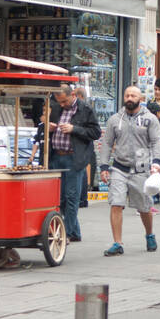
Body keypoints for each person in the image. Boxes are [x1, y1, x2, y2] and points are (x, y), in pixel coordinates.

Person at [97, 85, 160, 256]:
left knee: (144, 206)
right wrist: (104, 166)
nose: (129, 98)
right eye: (127, 95)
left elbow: (157, 141)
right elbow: (106, 143)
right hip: (119, 166)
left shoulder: (150, 119)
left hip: (141, 166)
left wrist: (156, 163)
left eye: (133, 95)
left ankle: (149, 234)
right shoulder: (115, 119)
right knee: (116, 203)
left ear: (140, 99)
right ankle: (117, 243)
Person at [39, 83, 101, 242]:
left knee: (71, 197)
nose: (62, 104)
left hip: (74, 158)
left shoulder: (85, 110)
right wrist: (50, 128)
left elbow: (95, 133)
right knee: (59, 198)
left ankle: (65, 233)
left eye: (64, 101)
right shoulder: (57, 108)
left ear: (73, 95)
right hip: (56, 156)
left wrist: (74, 129)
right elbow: (46, 128)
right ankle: (74, 233)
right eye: (59, 102)